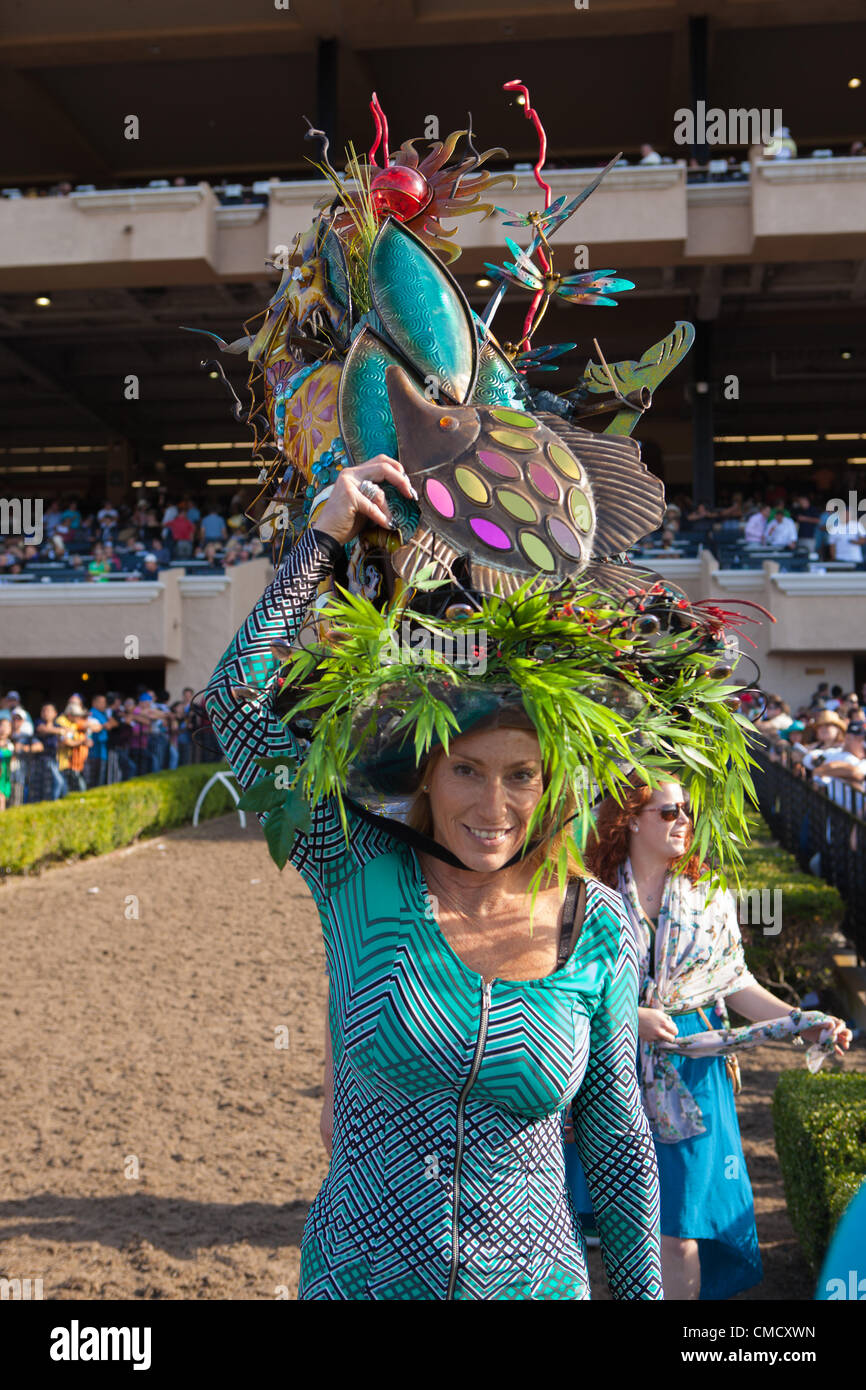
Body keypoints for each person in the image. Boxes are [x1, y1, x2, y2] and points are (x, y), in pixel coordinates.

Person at [205, 456, 665, 1301]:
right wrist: (321, 539)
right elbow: (234, 701)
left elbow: (616, 1142)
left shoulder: (597, 921)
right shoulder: (353, 864)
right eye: (468, 771)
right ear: (424, 774)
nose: (496, 803)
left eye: (522, 775)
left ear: (555, 784)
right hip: (361, 1281)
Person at [578, 777, 851, 1300]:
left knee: (679, 1229)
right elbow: (558, 987)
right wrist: (626, 1015)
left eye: (687, 809)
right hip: (611, 1066)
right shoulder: (588, 895)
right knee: (627, 1227)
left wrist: (802, 1021)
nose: (683, 819)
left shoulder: (710, 895)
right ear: (631, 817)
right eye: (667, 811)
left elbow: (736, 982)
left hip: (696, 1071)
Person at [56, 696, 91, 792]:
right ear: (69, 715)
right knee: (64, 788)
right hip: (63, 762)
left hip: (73, 762)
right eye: (76, 715)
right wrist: (82, 742)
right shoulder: (62, 722)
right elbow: (66, 742)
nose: (79, 718)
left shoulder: (73, 723)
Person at [35, 703, 68, 800]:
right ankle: (52, 801)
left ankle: (56, 800)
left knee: (59, 782)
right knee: (51, 782)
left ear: (55, 713)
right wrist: (59, 731)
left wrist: (61, 731)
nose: (46, 713)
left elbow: (66, 732)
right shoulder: (38, 722)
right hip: (41, 759)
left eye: (48, 711)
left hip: (54, 758)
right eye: (44, 711)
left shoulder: (57, 725)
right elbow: (42, 729)